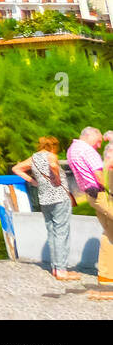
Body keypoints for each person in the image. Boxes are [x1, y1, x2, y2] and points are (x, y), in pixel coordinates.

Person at [12, 136, 79, 281]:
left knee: (52, 232)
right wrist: (57, 177)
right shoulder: (51, 155)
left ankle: (55, 268)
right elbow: (54, 165)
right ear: (53, 146)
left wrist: (33, 181)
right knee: (62, 232)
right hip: (60, 197)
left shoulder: (34, 158)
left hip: (44, 199)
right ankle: (62, 270)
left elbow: (16, 168)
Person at [67, 126, 113, 299]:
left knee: (109, 234)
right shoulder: (88, 151)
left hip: (91, 196)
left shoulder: (72, 150)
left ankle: (107, 277)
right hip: (102, 195)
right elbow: (100, 176)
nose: (99, 145)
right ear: (90, 135)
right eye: (99, 140)